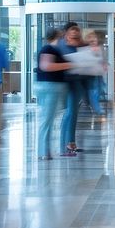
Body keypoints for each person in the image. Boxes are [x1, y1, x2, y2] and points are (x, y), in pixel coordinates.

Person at [36, 28, 70, 160]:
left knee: (48, 119)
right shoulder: (48, 49)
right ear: (58, 36)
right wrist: (69, 65)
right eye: (62, 36)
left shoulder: (53, 50)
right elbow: (46, 66)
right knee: (47, 119)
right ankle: (43, 152)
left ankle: (45, 151)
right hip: (50, 86)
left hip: (53, 86)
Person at [57, 22, 86, 156]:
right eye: (72, 31)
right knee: (70, 113)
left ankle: (70, 142)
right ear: (66, 32)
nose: (75, 33)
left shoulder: (78, 44)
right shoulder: (62, 45)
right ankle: (65, 145)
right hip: (68, 82)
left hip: (77, 82)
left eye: (76, 31)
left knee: (72, 114)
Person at [84, 30, 107, 116]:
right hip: (90, 74)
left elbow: (102, 60)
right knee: (93, 91)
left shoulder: (100, 48)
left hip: (98, 73)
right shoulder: (86, 49)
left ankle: (94, 105)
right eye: (91, 39)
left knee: (100, 89)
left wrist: (104, 64)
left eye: (94, 39)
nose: (93, 41)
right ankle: (96, 108)